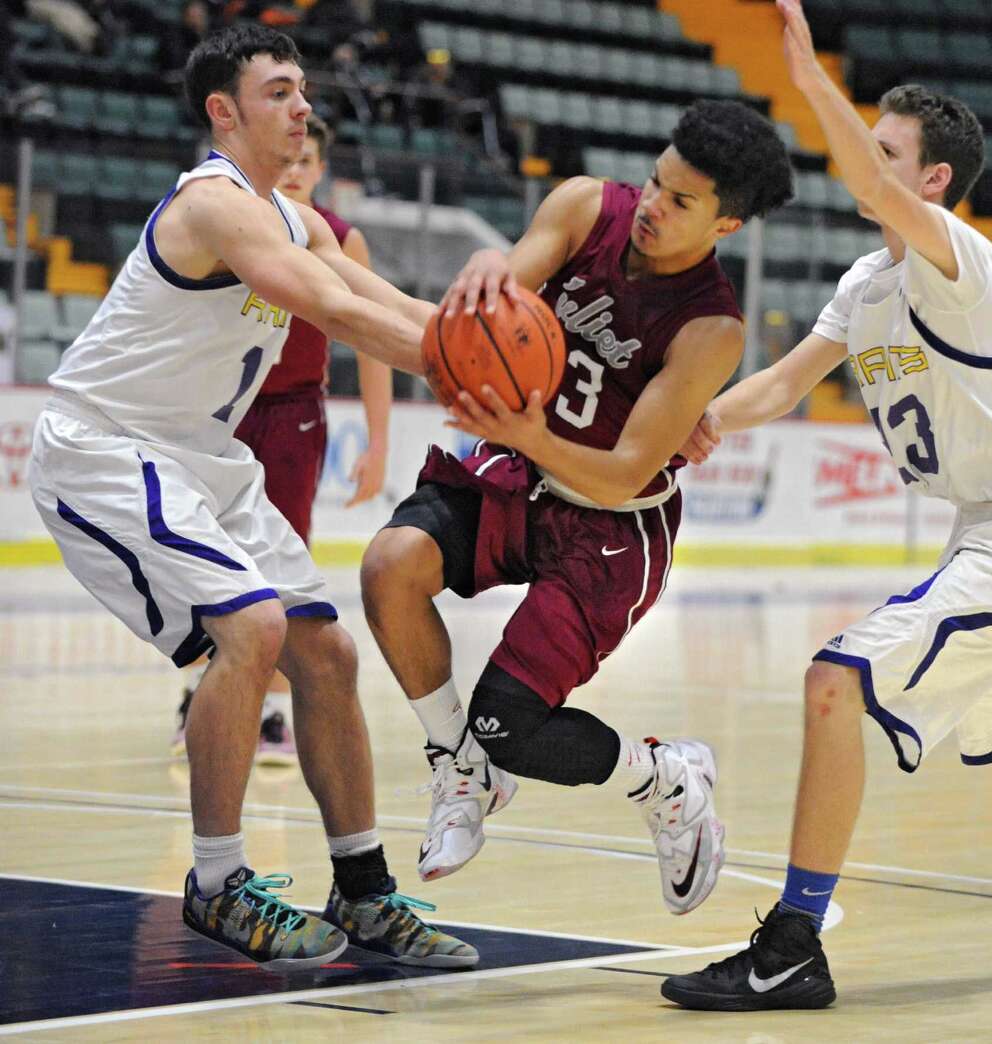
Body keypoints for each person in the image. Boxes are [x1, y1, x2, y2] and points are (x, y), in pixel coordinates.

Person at [659, 0, 992, 1011]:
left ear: (933, 180)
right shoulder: (870, 282)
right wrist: (696, 430)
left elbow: (859, 175)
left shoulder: (962, 261)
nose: (866, 164)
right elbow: (780, 384)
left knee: (833, 683)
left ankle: (792, 944)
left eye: (887, 150)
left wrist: (810, 74)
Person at [26, 23, 475, 971]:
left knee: (327, 652)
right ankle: (219, 883)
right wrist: (468, 373)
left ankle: (363, 890)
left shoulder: (295, 216)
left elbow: (390, 305)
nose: (303, 105)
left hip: (197, 454)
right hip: (105, 444)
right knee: (253, 630)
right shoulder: (218, 204)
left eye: (304, 89)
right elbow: (341, 315)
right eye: (278, 91)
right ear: (222, 112)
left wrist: (514, 355)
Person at [360, 99, 793, 914]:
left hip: (612, 524)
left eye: (681, 202)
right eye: (657, 182)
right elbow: (496, 296)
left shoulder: (712, 329)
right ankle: (458, 771)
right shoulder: (586, 203)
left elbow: (625, 473)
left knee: (510, 727)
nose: (654, 209)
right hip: (520, 465)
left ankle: (664, 778)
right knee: (389, 564)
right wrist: (483, 280)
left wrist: (530, 428)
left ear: (726, 225)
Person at [171, 113, 393, 767]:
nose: (294, 171)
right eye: (287, 161)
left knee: (277, 568)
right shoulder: (227, 220)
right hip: (217, 408)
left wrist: (378, 442)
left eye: (306, 164)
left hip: (293, 411)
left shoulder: (339, 240)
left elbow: (373, 343)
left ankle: (269, 713)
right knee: (198, 555)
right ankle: (198, 692)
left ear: (321, 171)